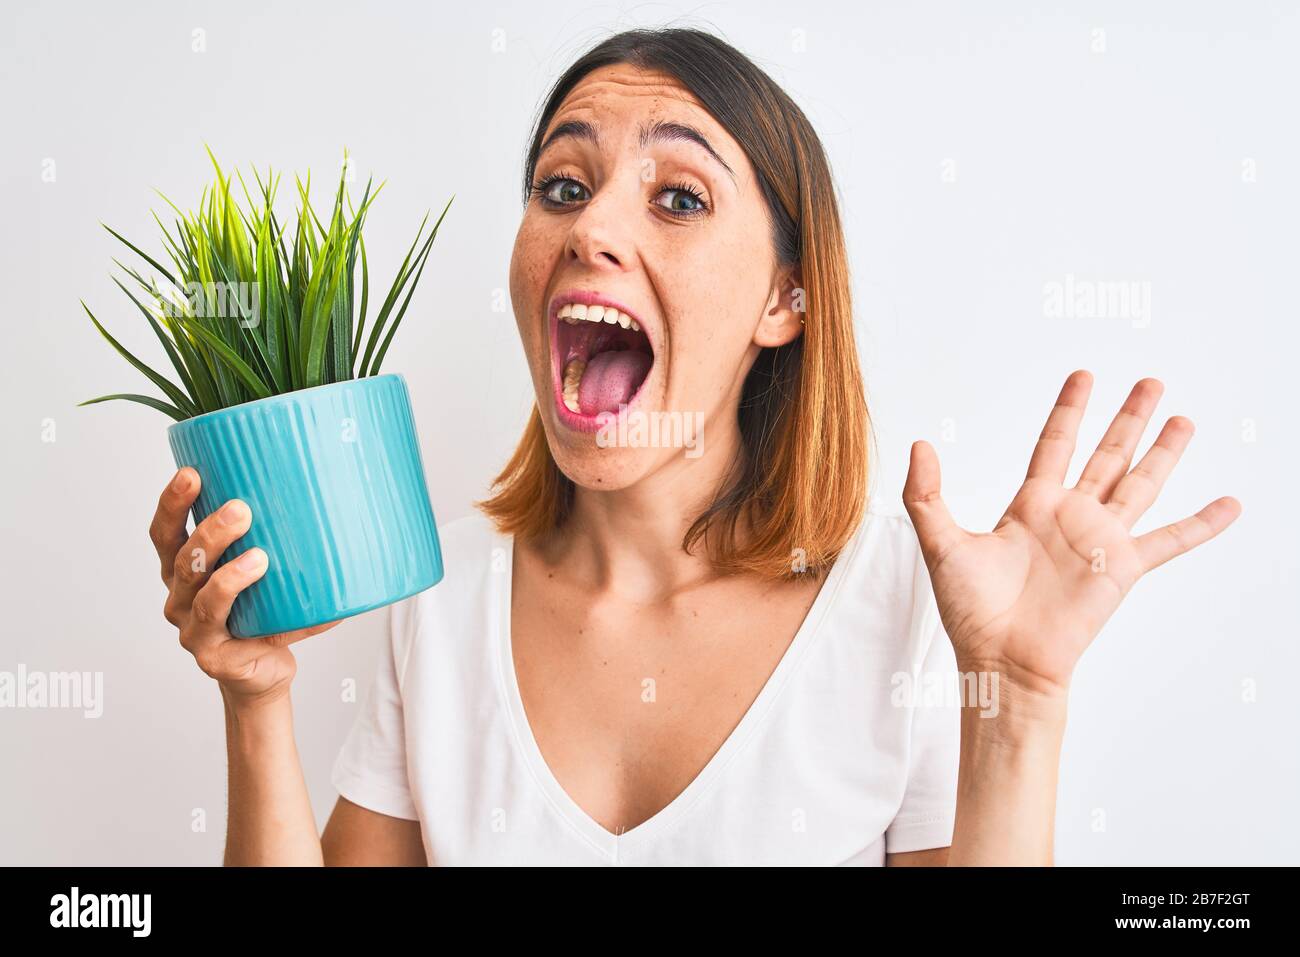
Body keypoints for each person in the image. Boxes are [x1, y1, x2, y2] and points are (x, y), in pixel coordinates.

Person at [147, 28, 1240, 866]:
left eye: (677, 197)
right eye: (562, 187)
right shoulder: (443, 590)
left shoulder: (910, 606)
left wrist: (1019, 702)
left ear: (784, 298)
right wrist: (255, 697)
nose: (591, 229)